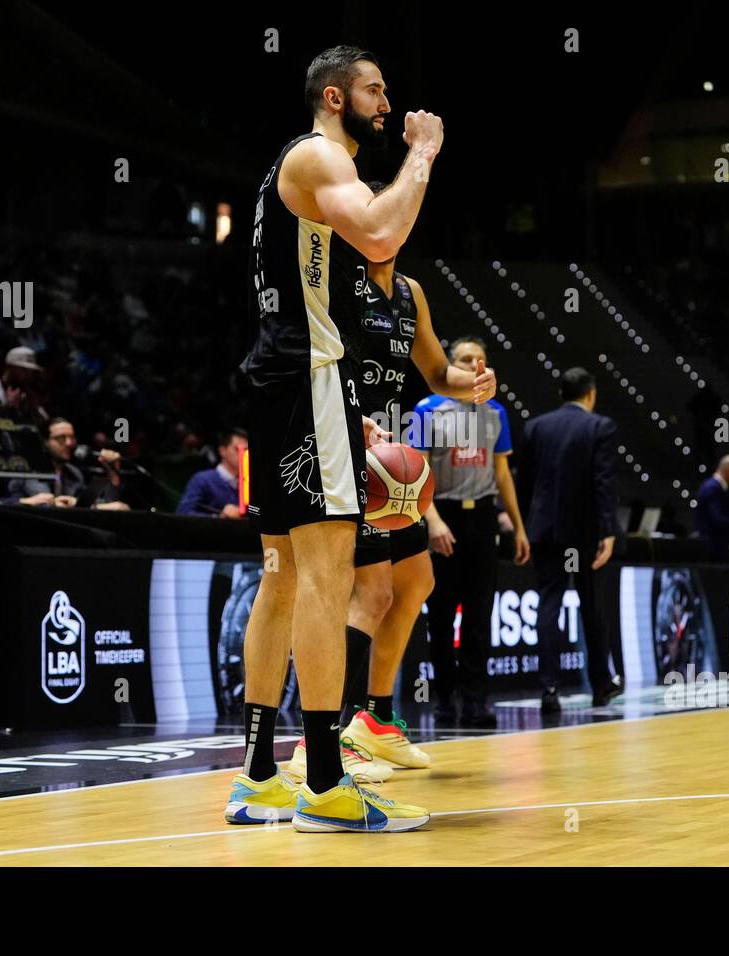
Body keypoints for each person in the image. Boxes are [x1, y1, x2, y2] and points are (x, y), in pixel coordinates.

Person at [224, 45, 442, 832]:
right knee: (325, 575)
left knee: (281, 577)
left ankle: (256, 774)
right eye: (376, 90)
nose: (388, 103)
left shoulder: (304, 166)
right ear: (333, 95)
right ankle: (322, 780)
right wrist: (421, 154)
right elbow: (382, 238)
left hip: (281, 381)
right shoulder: (319, 155)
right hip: (307, 376)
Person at [292, 207, 498, 778]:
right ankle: (324, 736)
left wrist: (473, 385)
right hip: (342, 449)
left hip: (391, 461)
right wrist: (350, 419)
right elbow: (313, 366)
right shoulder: (334, 283)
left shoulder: (411, 293)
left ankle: (377, 721)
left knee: (417, 580)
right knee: (372, 592)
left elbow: (436, 372)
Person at [414, 335, 530, 727]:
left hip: (482, 519)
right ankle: (445, 700)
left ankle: (477, 700)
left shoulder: (496, 412)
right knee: (442, 615)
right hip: (444, 515)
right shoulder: (427, 410)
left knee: (480, 616)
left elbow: (502, 474)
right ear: (449, 364)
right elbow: (417, 472)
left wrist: (518, 526)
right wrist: (433, 522)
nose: (474, 366)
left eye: (480, 360)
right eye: (465, 359)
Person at [519, 367, 623, 714]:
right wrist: (608, 530)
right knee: (592, 607)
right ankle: (601, 686)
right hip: (584, 536)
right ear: (590, 394)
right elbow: (603, 483)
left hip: (545, 532)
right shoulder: (600, 426)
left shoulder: (535, 427)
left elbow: (526, 484)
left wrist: (523, 526)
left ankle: (549, 689)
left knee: (549, 605)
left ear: (562, 394)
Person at [5, 417, 127, 510]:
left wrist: (113, 474)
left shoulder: (74, 473)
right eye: (61, 438)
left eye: (72, 437)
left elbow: (95, 506)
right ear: (45, 442)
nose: (69, 443)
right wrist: (27, 502)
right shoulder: (26, 471)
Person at [177, 428, 247, 518]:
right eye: (238, 449)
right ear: (222, 451)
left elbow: (256, 511)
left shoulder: (248, 482)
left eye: (246, 450)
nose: (244, 454)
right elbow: (183, 513)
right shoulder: (202, 480)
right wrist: (218, 517)